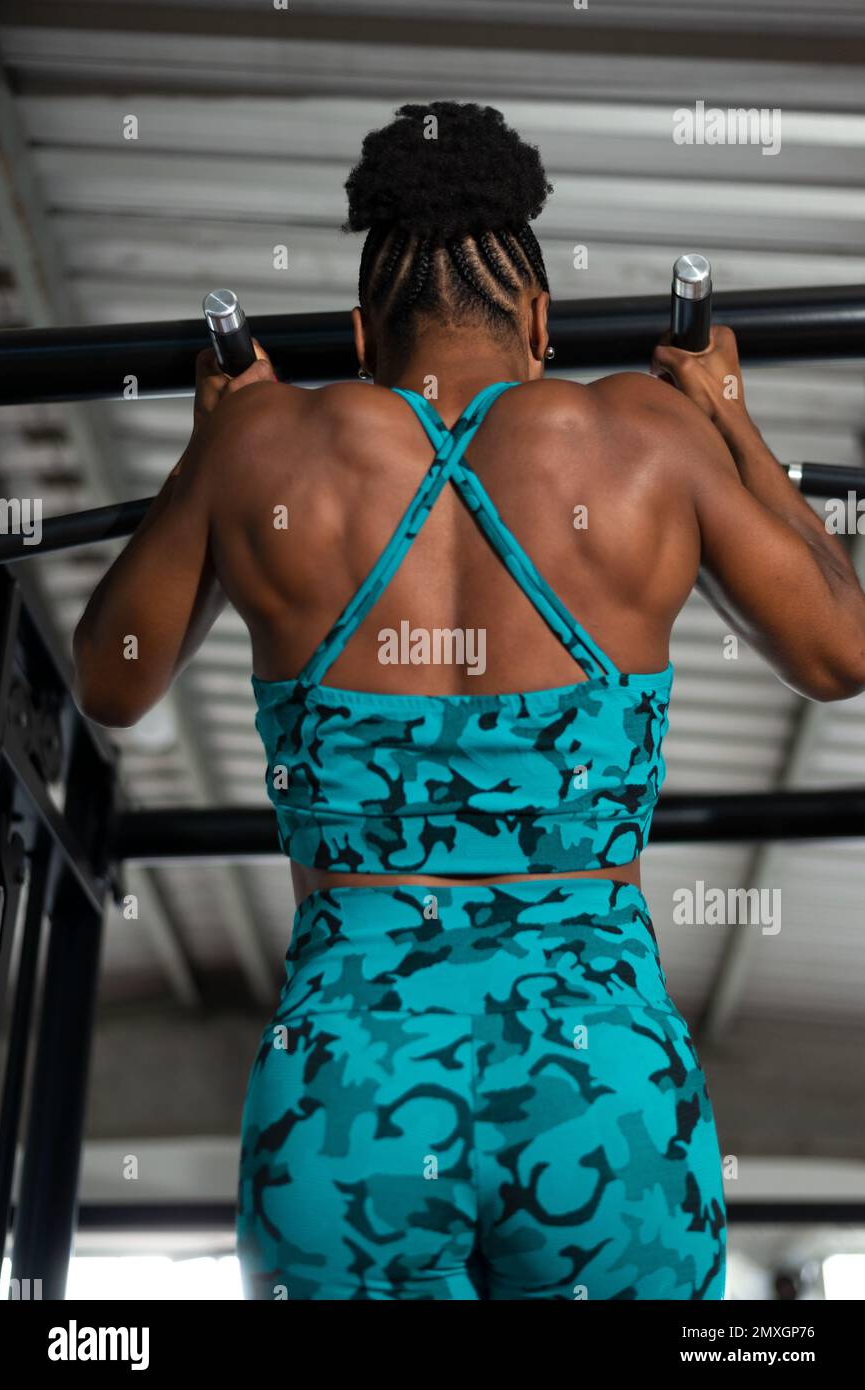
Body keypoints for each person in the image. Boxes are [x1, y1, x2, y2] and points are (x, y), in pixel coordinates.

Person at [72, 102, 865, 1301]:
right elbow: (841, 647)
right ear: (540, 322)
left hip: (352, 1075)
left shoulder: (269, 449)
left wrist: (216, 443)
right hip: (598, 1083)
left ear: (357, 331)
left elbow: (109, 677)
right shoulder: (642, 436)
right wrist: (729, 417)